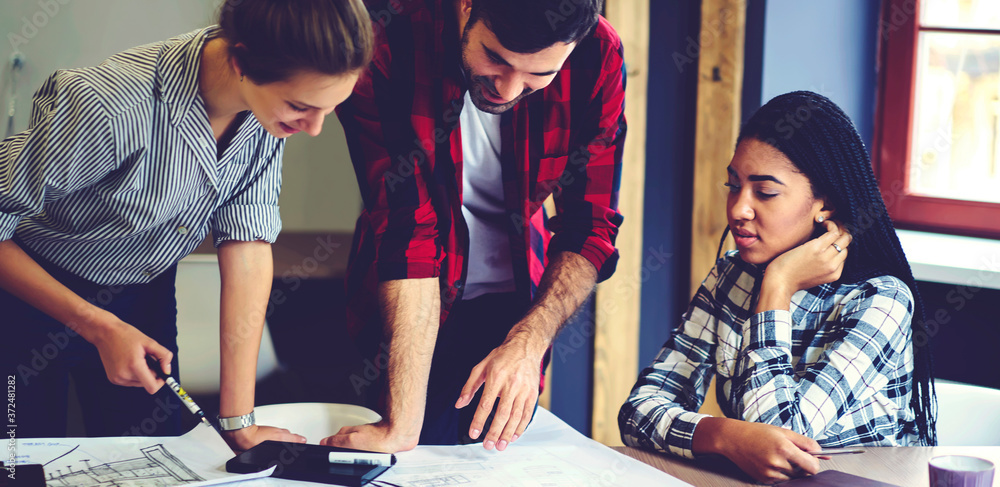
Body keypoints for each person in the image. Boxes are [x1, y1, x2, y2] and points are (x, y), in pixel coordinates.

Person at [0, 0, 373, 450]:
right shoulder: (108, 104)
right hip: (27, 293)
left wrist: (240, 421)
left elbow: (248, 246)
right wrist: (96, 324)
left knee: (152, 458)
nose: (313, 128)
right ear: (241, 60)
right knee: (21, 459)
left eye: (328, 109)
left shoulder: (265, 114)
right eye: (300, 106)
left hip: (144, 294)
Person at [324, 0, 625, 452]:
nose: (508, 89)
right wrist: (402, 425)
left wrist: (527, 343)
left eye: (538, 75)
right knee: (382, 445)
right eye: (497, 59)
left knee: (481, 457)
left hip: (515, 304)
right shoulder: (386, 35)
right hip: (404, 298)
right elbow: (408, 225)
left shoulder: (598, 54)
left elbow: (590, 222)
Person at [618, 91, 936, 484]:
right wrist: (723, 435)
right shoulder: (730, 277)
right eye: (733, 185)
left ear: (825, 203)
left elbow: (785, 438)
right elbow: (638, 412)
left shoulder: (880, 300)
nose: (738, 209)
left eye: (765, 192)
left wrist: (778, 287)